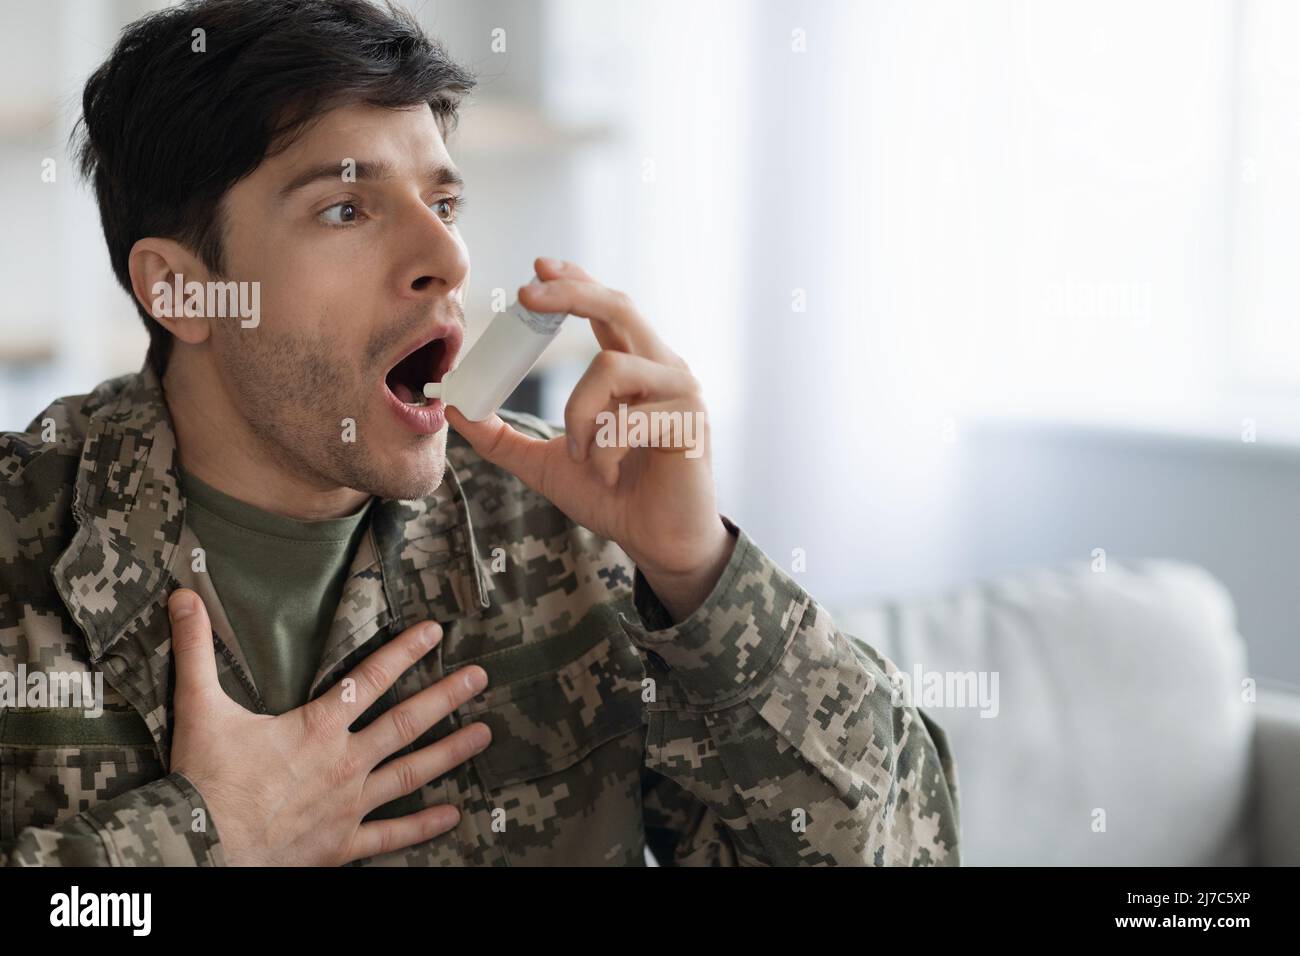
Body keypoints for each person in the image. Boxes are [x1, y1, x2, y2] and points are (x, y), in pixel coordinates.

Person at [0, 0, 959, 866]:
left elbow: (903, 855)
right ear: (182, 288)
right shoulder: (19, 546)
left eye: (445, 203)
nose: (448, 257)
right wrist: (200, 845)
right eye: (346, 208)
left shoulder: (573, 533)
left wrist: (700, 574)